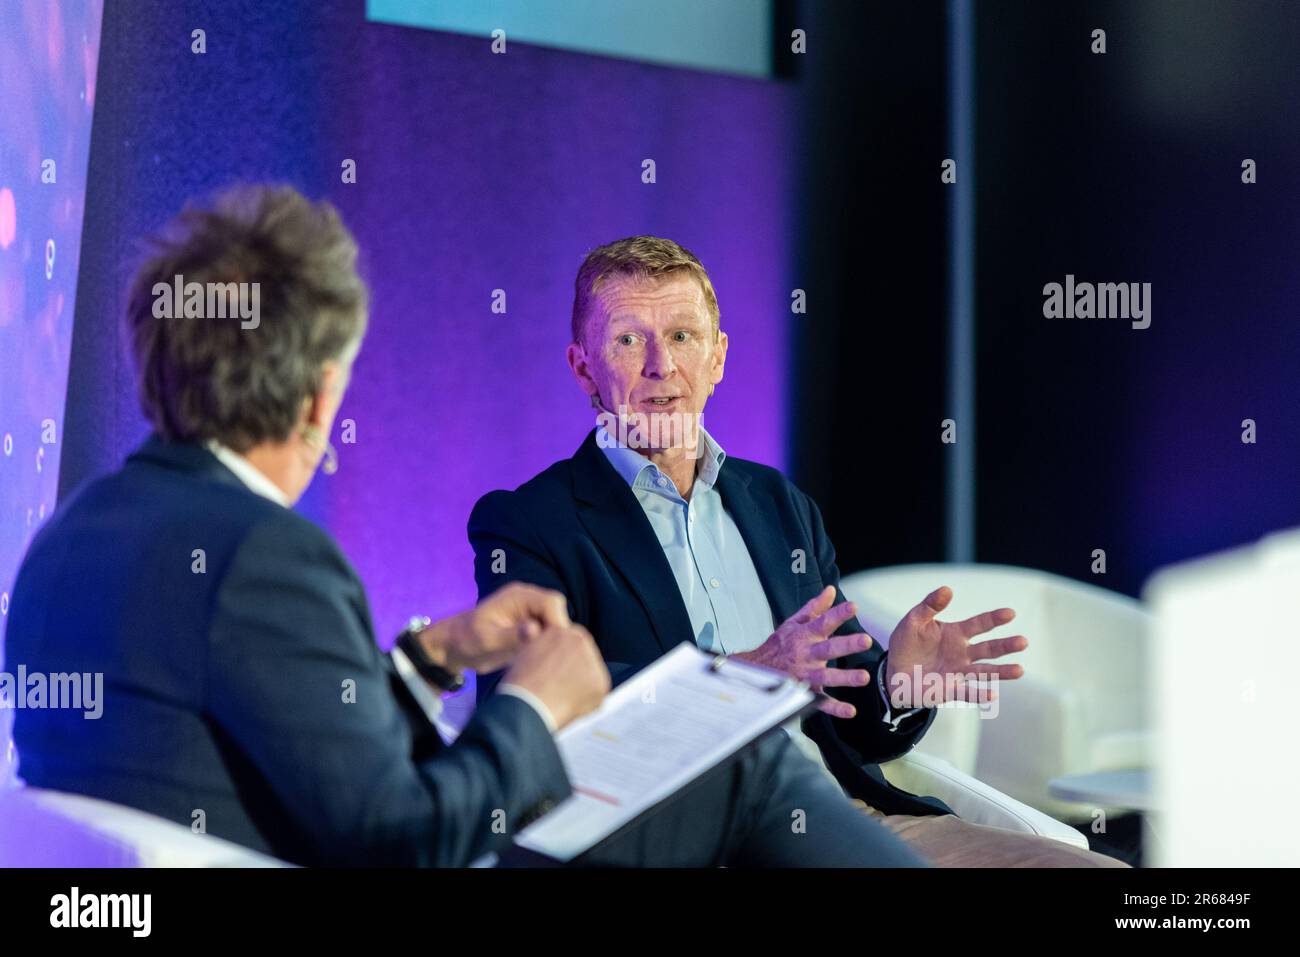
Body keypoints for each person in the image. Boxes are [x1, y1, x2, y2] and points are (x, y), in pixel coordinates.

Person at [5, 188, 923, 867]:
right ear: (323, 388)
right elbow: (412, 836)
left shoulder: (69, 533)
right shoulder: (266, 555)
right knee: (748, 770)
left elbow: (285, 740)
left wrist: (429, 657)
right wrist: (531, 701)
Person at [470, 235, 1126, 866]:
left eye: (681, 336)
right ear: (583, 366)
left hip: (843, 815)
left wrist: (899, 681)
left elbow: (851, 708)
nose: (659, 366)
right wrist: (740, 676)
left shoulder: (779, 504)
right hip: (684, 837)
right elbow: (527, 710)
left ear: (718, 358)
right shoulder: (531, 523)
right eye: (627, 339)